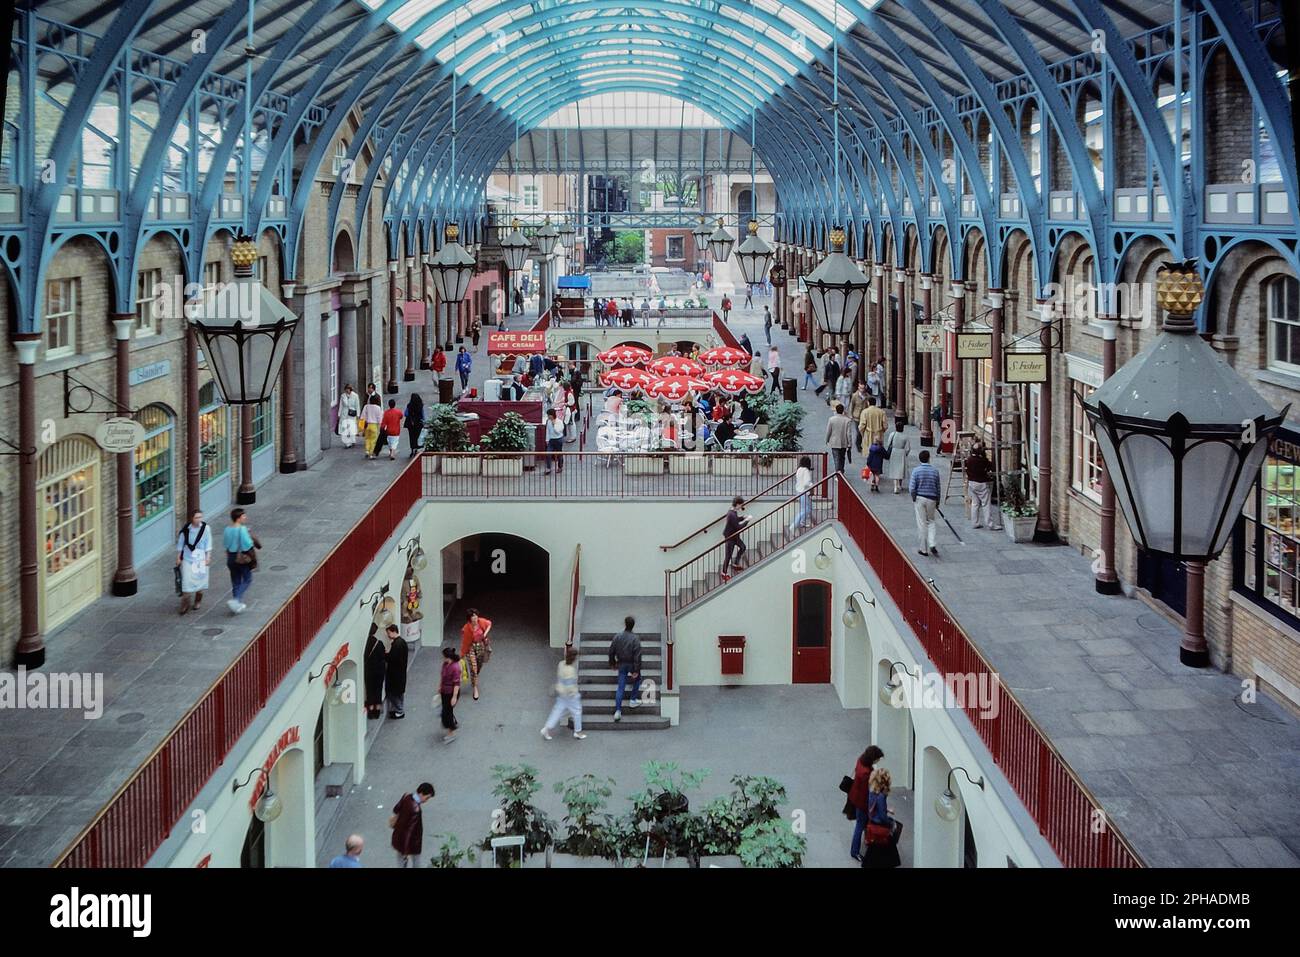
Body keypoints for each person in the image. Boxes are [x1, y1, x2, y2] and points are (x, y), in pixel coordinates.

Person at [540, 645, 587, 740]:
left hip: (561, 692)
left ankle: (546, 728)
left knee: (557, 711)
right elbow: (570, 686)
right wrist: (575, 693)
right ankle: (578, 732)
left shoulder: (561, 664)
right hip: (570, 695)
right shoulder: (570, 670)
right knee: (577, 711)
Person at [848, 745, 885, 862]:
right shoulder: (866, 773)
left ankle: (863, 844)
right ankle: (855, 851)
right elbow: (867, 793)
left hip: (855, 796)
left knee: (861, 824)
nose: (878, 760)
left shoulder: (861, 761)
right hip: (862, 802)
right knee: (860, 825)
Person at [862, 768, 902, 869]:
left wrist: (886, 810)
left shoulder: (871, 792)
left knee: (874, 853)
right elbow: (883, 817)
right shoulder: (881, 796)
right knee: (888, 853)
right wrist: (891, 823)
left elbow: (873, 807)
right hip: (880, 828)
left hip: (872, 825)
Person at [176, 509, 212, 615]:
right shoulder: (186, 530)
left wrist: (208, 557)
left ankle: (198, 600)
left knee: (200, 582)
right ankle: (185, 603)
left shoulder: (206, 529)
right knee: (186, 581)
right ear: (192, 518)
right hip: (188, 558)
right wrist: (178, 557)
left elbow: (208, 543)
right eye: (196, 517)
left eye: (200, 517)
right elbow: (181, 544)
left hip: (200, 558)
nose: (199, 519)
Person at [223, 507, 259, 614]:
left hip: (231, 557)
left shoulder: (227, 529)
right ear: (238, 518)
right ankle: (236, 600)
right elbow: (247, 545)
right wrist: (251, 540)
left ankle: (236, 605)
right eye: (243, 516)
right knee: (247, 579)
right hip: (241, 558)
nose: (245, 517)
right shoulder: (242, 529)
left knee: (236, 580)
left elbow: (225, 544)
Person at [390, 782, 435, 868]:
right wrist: (406, 851)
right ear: (421, 794)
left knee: (400, 862)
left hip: (398, 837)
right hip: (412, 843)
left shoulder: (407, 796)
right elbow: (409, 831)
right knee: (416, 862)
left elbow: (396, 809)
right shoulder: (416, 810)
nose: (426, 800)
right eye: (427, 797)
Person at [609, 616, 642, 723]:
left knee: (620, 687)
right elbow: (637, 655)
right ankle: (633, 699)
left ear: (625, 624)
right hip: (631, 664)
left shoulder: (617, 637)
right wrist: (636, 670)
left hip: (621, 663)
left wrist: (612, 663)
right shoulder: (635, 639)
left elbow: (611, 651)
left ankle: (618, 710)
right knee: (637, 679)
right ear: (633, 625)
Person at [910, 449, 942, 557]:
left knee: (922, 523)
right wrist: (938, 500)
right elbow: (938, 487)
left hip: (920, 498)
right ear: (929, 458)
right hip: (932, 498)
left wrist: (914, 498)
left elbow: (912, 488)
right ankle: (932, 543)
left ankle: (923, 549)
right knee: (931, 521)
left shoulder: (916, 471)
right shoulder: (935, 471)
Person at [459, 607, 492, 701]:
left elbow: (489, 624)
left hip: (480, 646)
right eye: (472, 616)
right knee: (474, 668)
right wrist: (462, 653)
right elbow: (465, 642)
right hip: (471, 648)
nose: (475, 617)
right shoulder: (466, 628)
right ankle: (475, 687)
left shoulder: (481, 622)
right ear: (469, 618)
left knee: (479, 666)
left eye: (476, 615)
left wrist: (484, 634)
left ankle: (474, 678)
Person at [720, 496, 751, 581]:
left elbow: (736, 520)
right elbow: (738, 527)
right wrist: (747, 520)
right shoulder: (731, 514)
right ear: (737, 504)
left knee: (743, 547)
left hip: (734, 536)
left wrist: (742, 517)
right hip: (730, 537)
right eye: (741, 505)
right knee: (728, 556)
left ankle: (735, 564)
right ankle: (724, 573)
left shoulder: (733, 512)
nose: (742, 507)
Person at [965, 440, 994, 527]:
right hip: (981, 483)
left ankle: (975, 523)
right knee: (985, 504)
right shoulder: (982, 460)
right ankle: (990, 524)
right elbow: (990, 466)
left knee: (975, 503)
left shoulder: (969, 460)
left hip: (971, 483)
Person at [384, 623, 408, 720]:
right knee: (399, 693)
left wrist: (386, 655)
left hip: (395, 674)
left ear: (393, 631)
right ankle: (399, 709)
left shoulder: (396, 644)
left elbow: (391, 659)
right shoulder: (402, 642)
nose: (388, 635)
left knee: (392, 693)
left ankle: (399, 710)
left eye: (389, 633)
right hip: (401, 673)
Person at [363, 622, 387, 720]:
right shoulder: (379, 643)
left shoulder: (365, 644)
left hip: (369, 670)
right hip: (379, 671)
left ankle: (370, 710)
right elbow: (383, 656)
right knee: (378, 690)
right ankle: (377, 710)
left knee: (370, 690)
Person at [882, 417, 912, 494]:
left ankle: (896, 486)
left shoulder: (892, 434)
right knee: (901, 470)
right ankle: (900, 485)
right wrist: (905, 454)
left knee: (895, 469)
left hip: (894, 452)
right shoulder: (905, 436)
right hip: (901, 452)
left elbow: (889, 444)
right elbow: (908, 448)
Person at [439, 647, 461, 743]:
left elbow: (456, 684)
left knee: (447, 712)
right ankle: (451, 724)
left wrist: (454, 697)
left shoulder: (455, 667)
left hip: (451, 692)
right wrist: (440, 686)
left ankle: (451, 732)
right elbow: (442, 676)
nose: (443, 659)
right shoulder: (445, 664)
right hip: (445, 690)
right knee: (446, 710)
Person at [826, 403, 854, 475]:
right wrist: (849, 443)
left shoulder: (831, 419)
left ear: (836, 410)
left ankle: (837, 472)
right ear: (843, 411)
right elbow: (849, 434)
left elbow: (828, 431)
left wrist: (827, 439)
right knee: (842, 457)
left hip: (834, 442)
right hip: (843, 441)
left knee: (836, 458)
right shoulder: (847, 420)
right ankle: (841, 471)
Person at [789, 455, 814, 533]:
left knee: (805, 507)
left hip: (799, 491)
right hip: (804, 492)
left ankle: (801, 522)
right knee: (807, 509)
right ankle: (794, 525)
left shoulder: (799, 469)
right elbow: (807, 482)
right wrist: (812, 486)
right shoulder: (806, 470)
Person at [360, 393, 384, 459]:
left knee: (367, 438)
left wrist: (362, 428)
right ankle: (371, 453)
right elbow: (380, 419)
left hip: (367, 425)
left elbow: (362, 416)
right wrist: (379, 427)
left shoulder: (366, 407)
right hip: (374, 425)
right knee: (373, 440)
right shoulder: (378, 408)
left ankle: (367, 450)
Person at [544, 407, 565, 475]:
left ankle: (560, 466)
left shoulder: (559, 421)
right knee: (548, 453)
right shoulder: (548, 421)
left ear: (552, 415)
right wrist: (547, 439)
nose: (548, 417)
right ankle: (548, 468)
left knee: (559, 454)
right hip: (551, 440)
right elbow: (547, 430)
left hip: (558, 439)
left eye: (549, 415)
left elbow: (559, 431)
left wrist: (554, 424)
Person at [403, 392, 424, 457]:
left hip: (410, 423)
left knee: (411, 436)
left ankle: (412, 448)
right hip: (418, 423)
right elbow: (422, 415)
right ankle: (416, 447)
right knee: (417, 436)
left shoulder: (409, 405)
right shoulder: (420, 405)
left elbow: (406, 414)